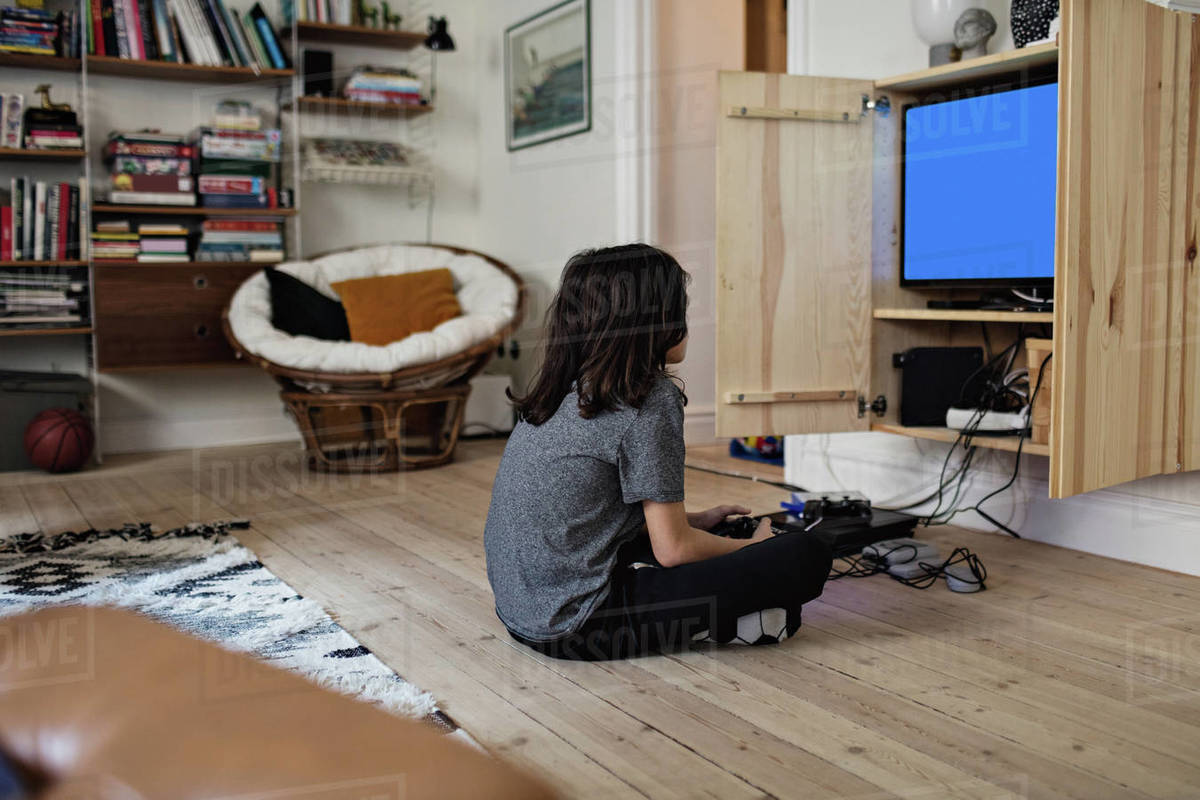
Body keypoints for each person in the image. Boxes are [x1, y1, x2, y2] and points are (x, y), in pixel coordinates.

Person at [484, 244, 832, 661]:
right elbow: (675, 551)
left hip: (521, 613)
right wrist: (754, 549)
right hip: (579, 627)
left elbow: (588, 517)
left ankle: (724, 606)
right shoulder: (649, 400)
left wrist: (694, 522)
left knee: (715, 539)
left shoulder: (559, 391)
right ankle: (737, 619)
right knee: (804, 552)